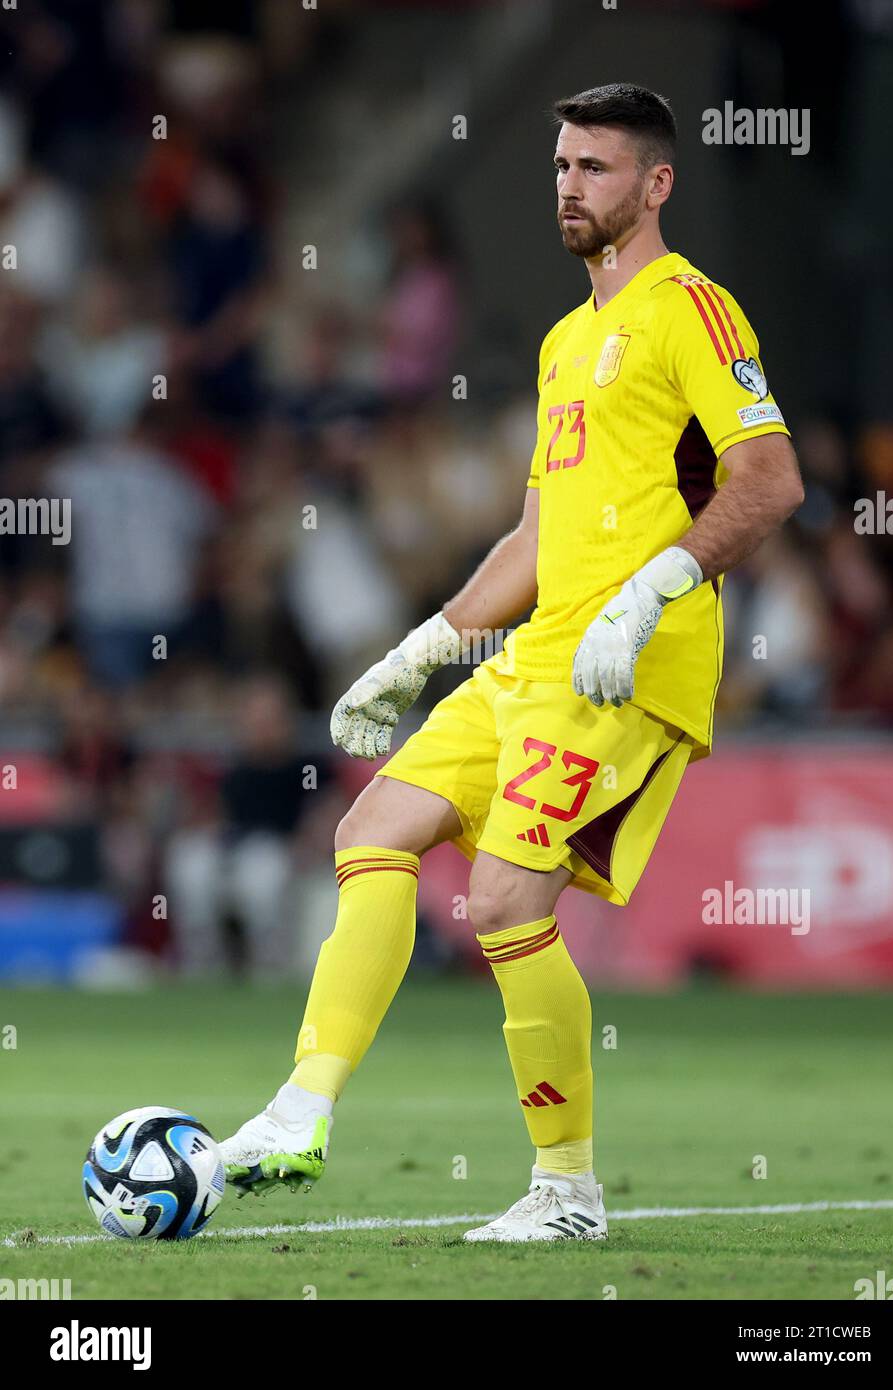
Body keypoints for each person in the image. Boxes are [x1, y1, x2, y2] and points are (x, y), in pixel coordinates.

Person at [220, 83, 804, 1241]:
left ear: (657, 184)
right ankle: (299, 1110)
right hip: (537, 651)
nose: (569, 187)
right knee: (371, 832)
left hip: (630, 664)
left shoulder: (696, 310)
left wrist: (648, 594)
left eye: (594, 167)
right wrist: (427, 645)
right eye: (559, 167)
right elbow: (537, 539)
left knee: (500, 900)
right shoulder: (562, 342)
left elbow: (771, 481)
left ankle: (567, 1191)